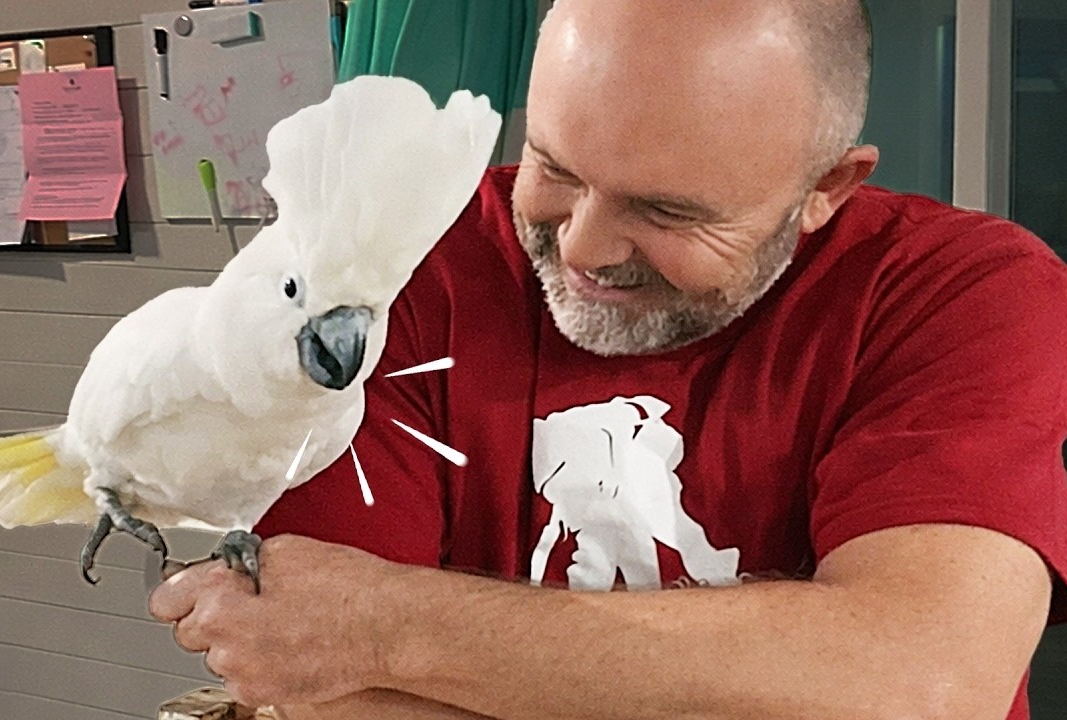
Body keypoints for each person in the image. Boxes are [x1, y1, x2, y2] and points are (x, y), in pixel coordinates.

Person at [149, 1, 1067, 718]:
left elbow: (923, 683)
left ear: (825, 189)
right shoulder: (397, 260)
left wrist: (382, 624)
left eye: (666, 212)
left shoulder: (963, 291)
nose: (584, 248)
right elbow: (318, 683)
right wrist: (787, 678)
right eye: (554, 168)